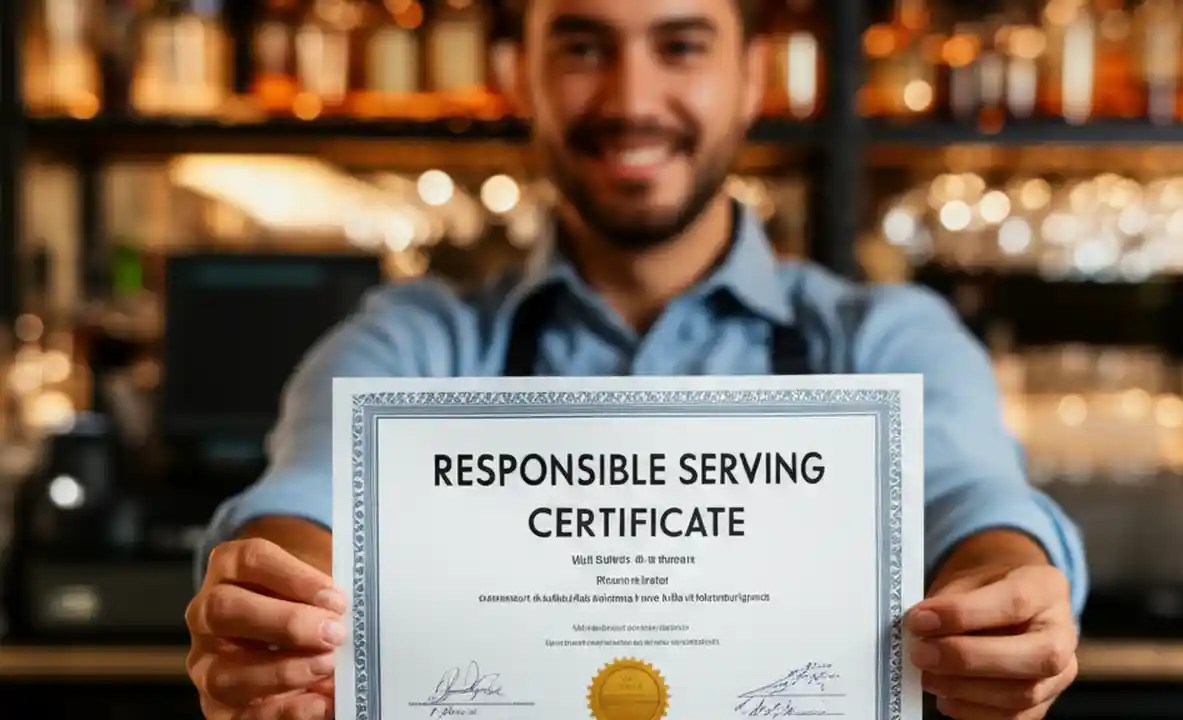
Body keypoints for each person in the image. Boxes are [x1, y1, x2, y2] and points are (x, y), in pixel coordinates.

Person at [184, 1, 1089, 718]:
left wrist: (1000, 585)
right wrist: (279, 603)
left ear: (751, 78)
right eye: (582, 46)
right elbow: (304, 499)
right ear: (516, 77)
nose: (630, 98)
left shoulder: (883, 336)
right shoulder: (417, 338)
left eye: (682, 44)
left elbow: (976, 500)